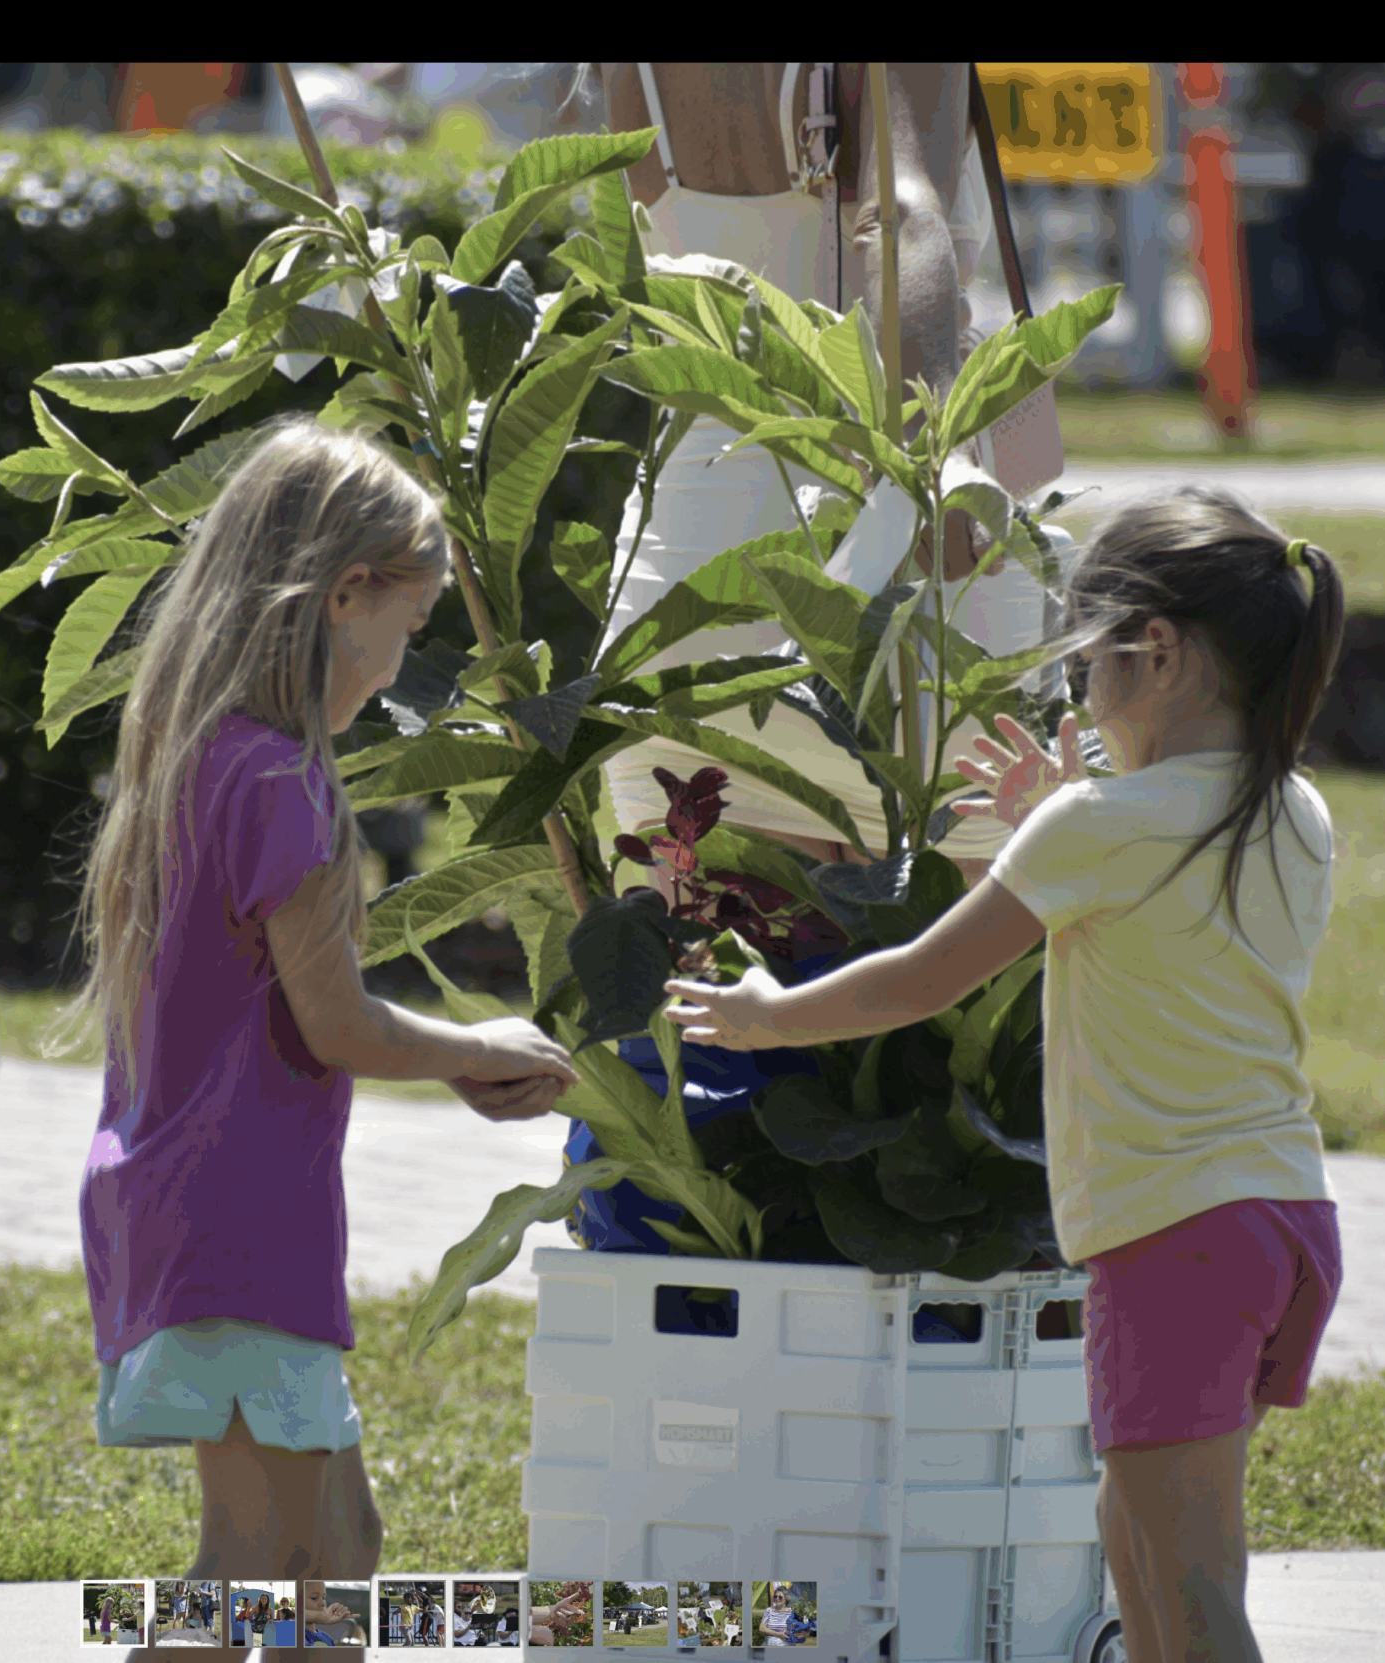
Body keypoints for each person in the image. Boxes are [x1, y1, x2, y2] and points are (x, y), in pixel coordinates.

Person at [661, 489, 1348, 1663]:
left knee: (1187, 1590)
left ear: (1161, 653)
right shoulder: (1292, 811)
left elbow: (917, 980)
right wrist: (1058, 813)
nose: (1082, 696)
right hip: (1280, 1218)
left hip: (1170, 1230)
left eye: (1089, 666)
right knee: (1138, 1547)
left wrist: (770, 1019)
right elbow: (1158, 913)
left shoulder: (1099, 828)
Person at [69, 415, 581, 1663]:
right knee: (258, 1562)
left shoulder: (197, 757)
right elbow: (337, 1019)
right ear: (344, 594)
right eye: (407, 628)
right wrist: (475, 1043)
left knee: (336, 1552)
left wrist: (443, 1060)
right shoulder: (277, 782)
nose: (405, 662)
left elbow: (294, 1018)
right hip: (236, 1223)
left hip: (203, 1213)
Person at [566, 64, 1074, 1255]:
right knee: (967, 1020)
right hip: (884, 545)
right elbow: (901, 216)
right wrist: (936, 443)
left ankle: (675, 1349)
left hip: (682, 567)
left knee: (683, 994)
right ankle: (925, 1379)